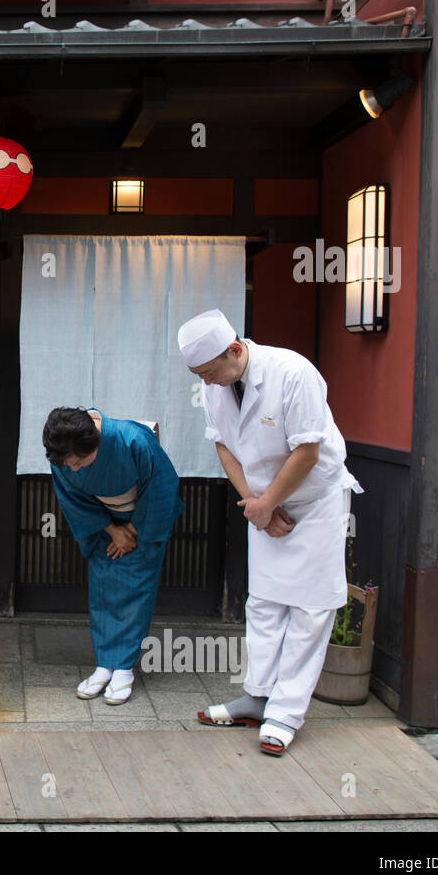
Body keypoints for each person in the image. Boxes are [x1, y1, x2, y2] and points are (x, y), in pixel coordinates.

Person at [177, 308, 362, 757]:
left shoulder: (294, 372)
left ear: (235, 351)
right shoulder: (220, 387)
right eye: (197, 376)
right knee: (263, 602)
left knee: (309, 609)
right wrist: (255, 505)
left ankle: (285, 714)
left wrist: (268, 505)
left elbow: (308, 450)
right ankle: (258, 696)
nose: (205, 384)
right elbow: (222, 443)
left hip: (315, 502)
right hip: (263, 502)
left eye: (208, 372)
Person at [44, 407, 184, 705]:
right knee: (103, 588)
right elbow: (70, 497)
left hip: (144, 522)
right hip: (102, 525)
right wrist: (111, 529)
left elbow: (161, 486)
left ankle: (123, 669)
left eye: (80, 461)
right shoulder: (62, 455)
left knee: (135, 590)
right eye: (70, 464)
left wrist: (131, 529)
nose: (76, 468)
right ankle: (104, 664)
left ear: (96, 441)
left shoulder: (133, 440)